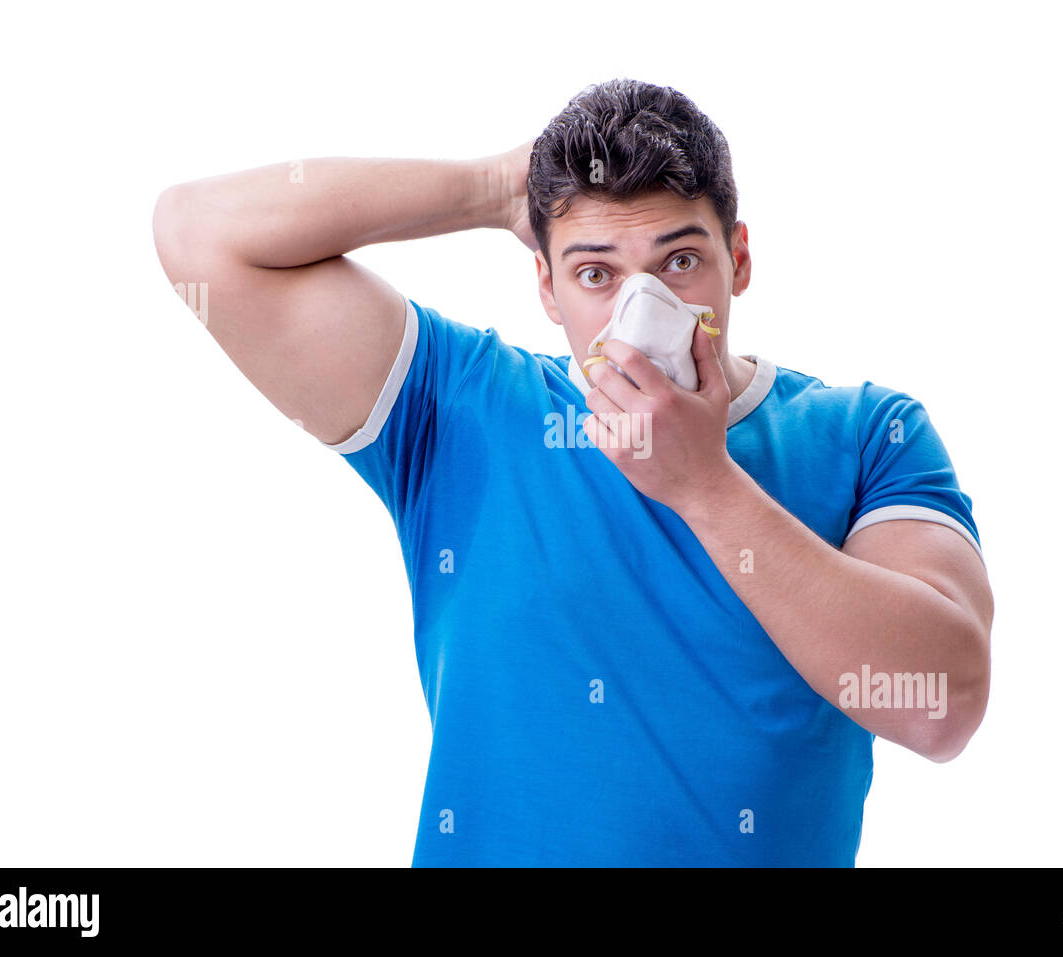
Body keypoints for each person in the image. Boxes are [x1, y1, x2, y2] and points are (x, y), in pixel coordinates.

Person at [151, 77, 994, 867]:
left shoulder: (867, 434)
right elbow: (198, 233)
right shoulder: (463, 409)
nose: (642, 308)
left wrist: (706, 486)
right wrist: (488, 188)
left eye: (678, 262)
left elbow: (941, 706)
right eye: (596, 272)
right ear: (548, 288)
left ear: (738, 259)